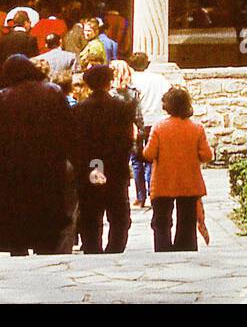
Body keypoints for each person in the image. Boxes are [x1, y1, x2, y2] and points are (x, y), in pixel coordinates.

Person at [0, 55, 74, 255]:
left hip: (15, 170)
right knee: (46, 215)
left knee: (18, 217)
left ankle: (18, 250)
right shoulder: (53, 92)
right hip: (48, 166)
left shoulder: (3, 98)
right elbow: (68, 129)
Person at [143, 85, 213, 252]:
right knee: (187, 222)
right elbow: (207, 155)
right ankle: (185, 250)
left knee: (161, 222)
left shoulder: (159, 127)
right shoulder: (196, 128)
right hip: (188, 182)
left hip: (163, 181)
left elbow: (149, 154)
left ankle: (163, 250)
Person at [73, 64, 133, 254]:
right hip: (115, 165)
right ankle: (115, 247)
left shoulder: (79, 110)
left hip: (92, 165)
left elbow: (76, 143)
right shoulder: (122, 108)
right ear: (109, 82)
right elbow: (127, 140)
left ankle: (92, 247)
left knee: (90, 210)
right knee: (118, 212)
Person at [129, 52, 167, 208]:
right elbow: (168, 94)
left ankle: (140, 196)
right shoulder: (159, 79)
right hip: (156, 120)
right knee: (152, 158)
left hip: (138, 123)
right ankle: (153, 192)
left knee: (137, 160)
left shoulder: (131, 80)